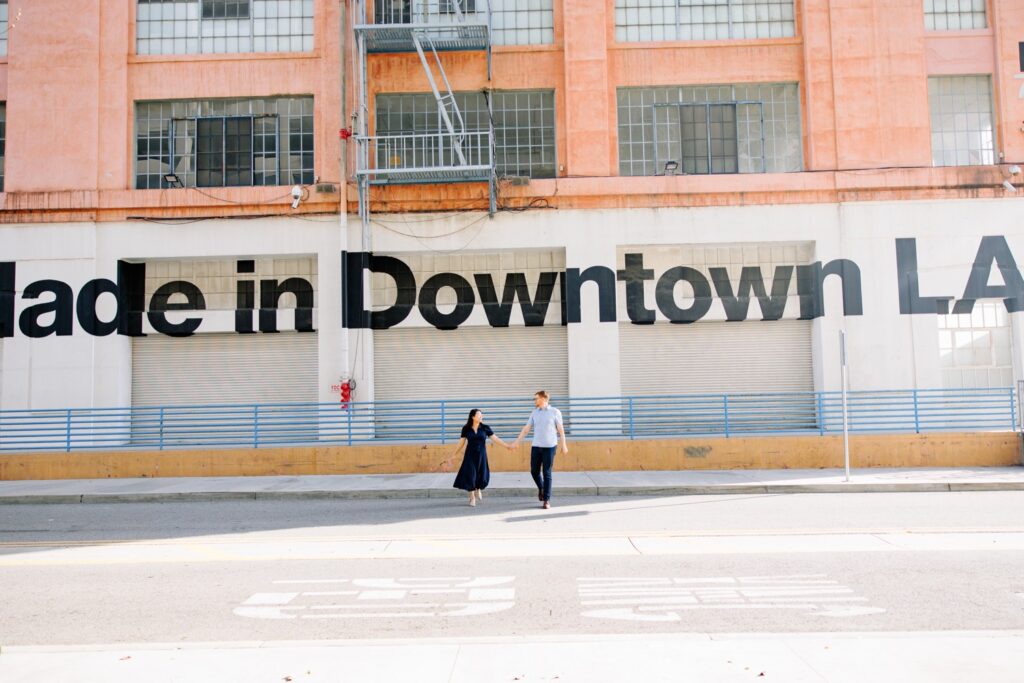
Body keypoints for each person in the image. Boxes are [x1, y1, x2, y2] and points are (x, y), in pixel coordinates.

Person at [513, 390, 568, 509]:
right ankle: (542, 488)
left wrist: (564, 445)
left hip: (549, 447)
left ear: (543, 398)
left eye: (536, 398)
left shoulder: (555, 412)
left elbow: (561, 430)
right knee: (534, 471)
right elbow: (526, 429)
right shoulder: (534, 413)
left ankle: (546, 500)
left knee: (547, 473)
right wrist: (517, 442)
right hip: (536, 446)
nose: (535, 400)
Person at [445, 409, 512, 506]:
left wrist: (507, 446)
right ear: (473, 417)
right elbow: (461, 442)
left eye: (482, 415)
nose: (481, 416)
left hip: (482, 455)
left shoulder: (485, 428)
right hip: (470, 456)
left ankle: (478, 488)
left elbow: (495, 439)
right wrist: (454, 454)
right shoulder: (466, 428)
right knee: (470, 475)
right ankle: (472, 497)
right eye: (479, 415)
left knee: (481, 474)